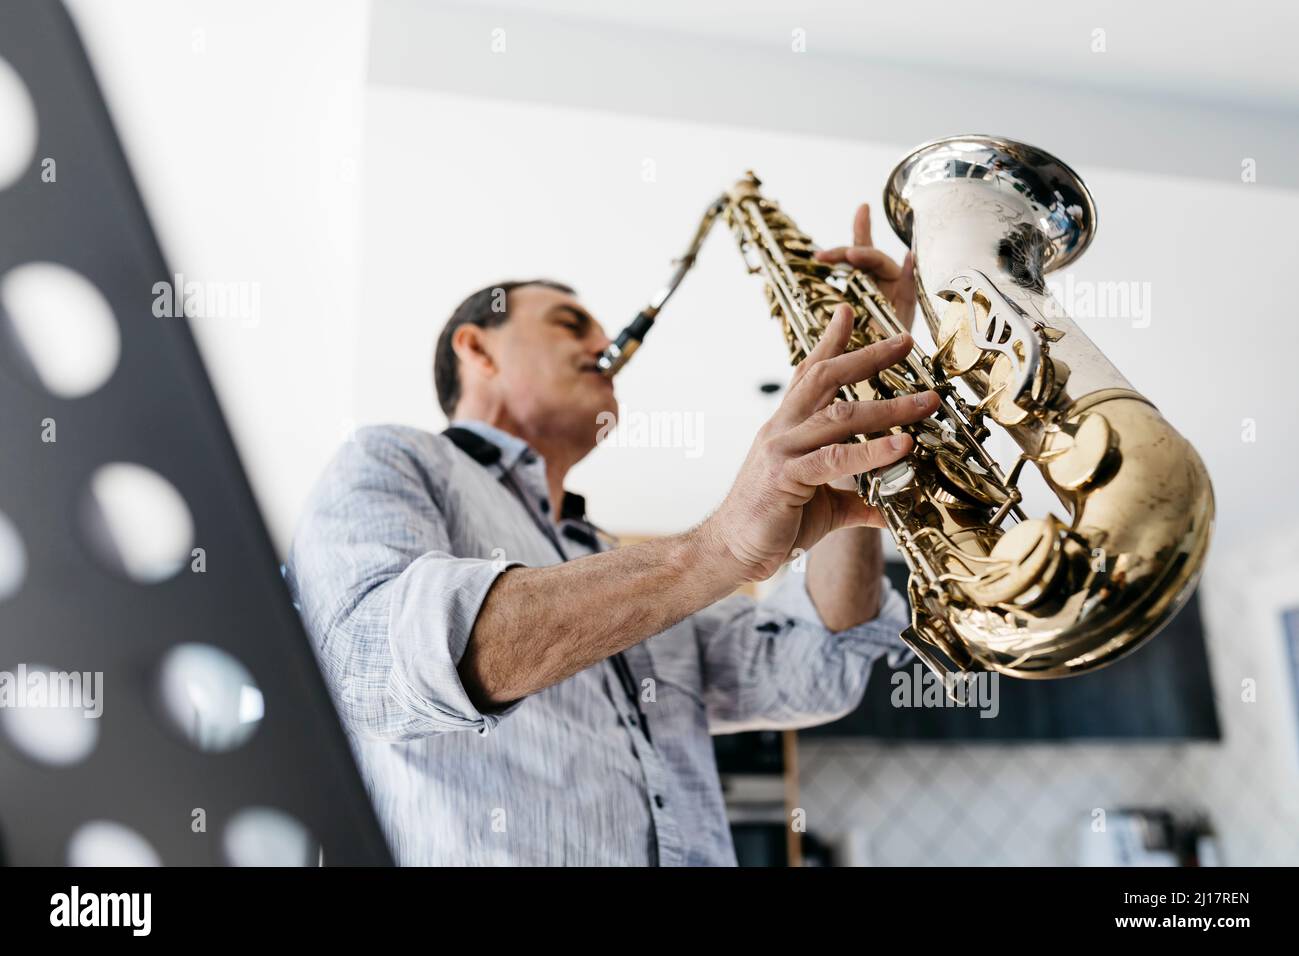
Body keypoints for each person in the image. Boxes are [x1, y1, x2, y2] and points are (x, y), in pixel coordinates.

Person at [285, 203, 936, 865]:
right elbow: (366, 670)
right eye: (570, 325)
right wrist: (716, 550)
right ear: (476, 348)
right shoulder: (391, 458)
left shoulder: (611, 565)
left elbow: (806, 674)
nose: (603, 348)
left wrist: (857, 428)